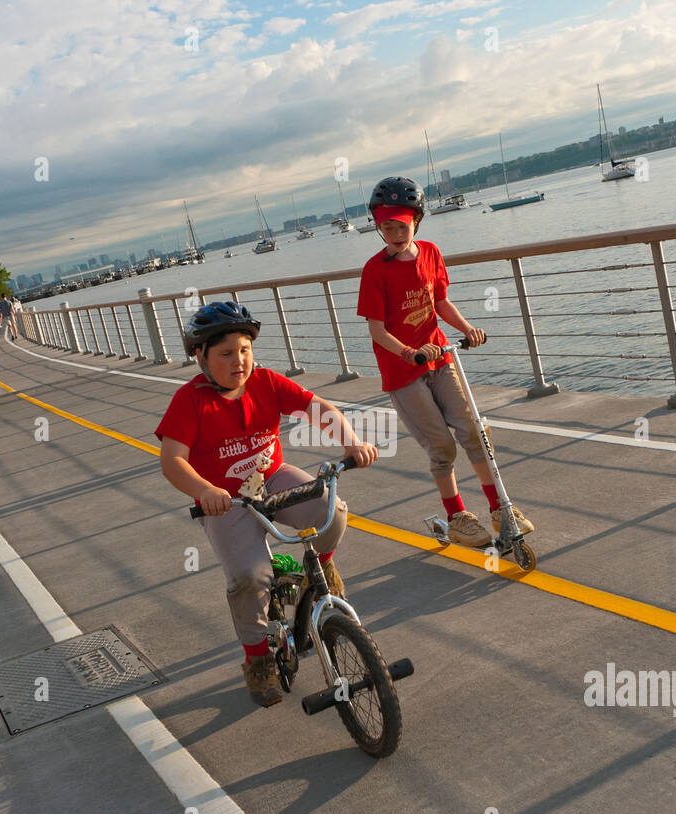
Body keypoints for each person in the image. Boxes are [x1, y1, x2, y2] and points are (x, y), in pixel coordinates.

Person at [156, 302, 378, 708]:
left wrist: (351, 442)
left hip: (273, 480)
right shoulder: (190, 401)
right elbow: (171, 460)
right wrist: (205, 490)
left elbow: (317, 408)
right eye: (226, 353)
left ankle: (320, 568)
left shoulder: (267, 382)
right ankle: (258, 662)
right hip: (226, 502)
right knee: (249, 577)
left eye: (245, 349)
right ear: (200, 356)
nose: (239, 361)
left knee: (332, 512)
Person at [356, 175, 534, 548]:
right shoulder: (376, 270)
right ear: (378, 226)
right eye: (386, 226)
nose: (394, 232)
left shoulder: (432, 253)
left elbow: (439, 303)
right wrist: (409, 352)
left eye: (401, 225)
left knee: (473, 431)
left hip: (439, 359)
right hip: (403, 371)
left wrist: (469, 329)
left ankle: (500, 506)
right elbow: (376, 330)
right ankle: (456, 517)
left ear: (415, 222)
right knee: (443, 447)